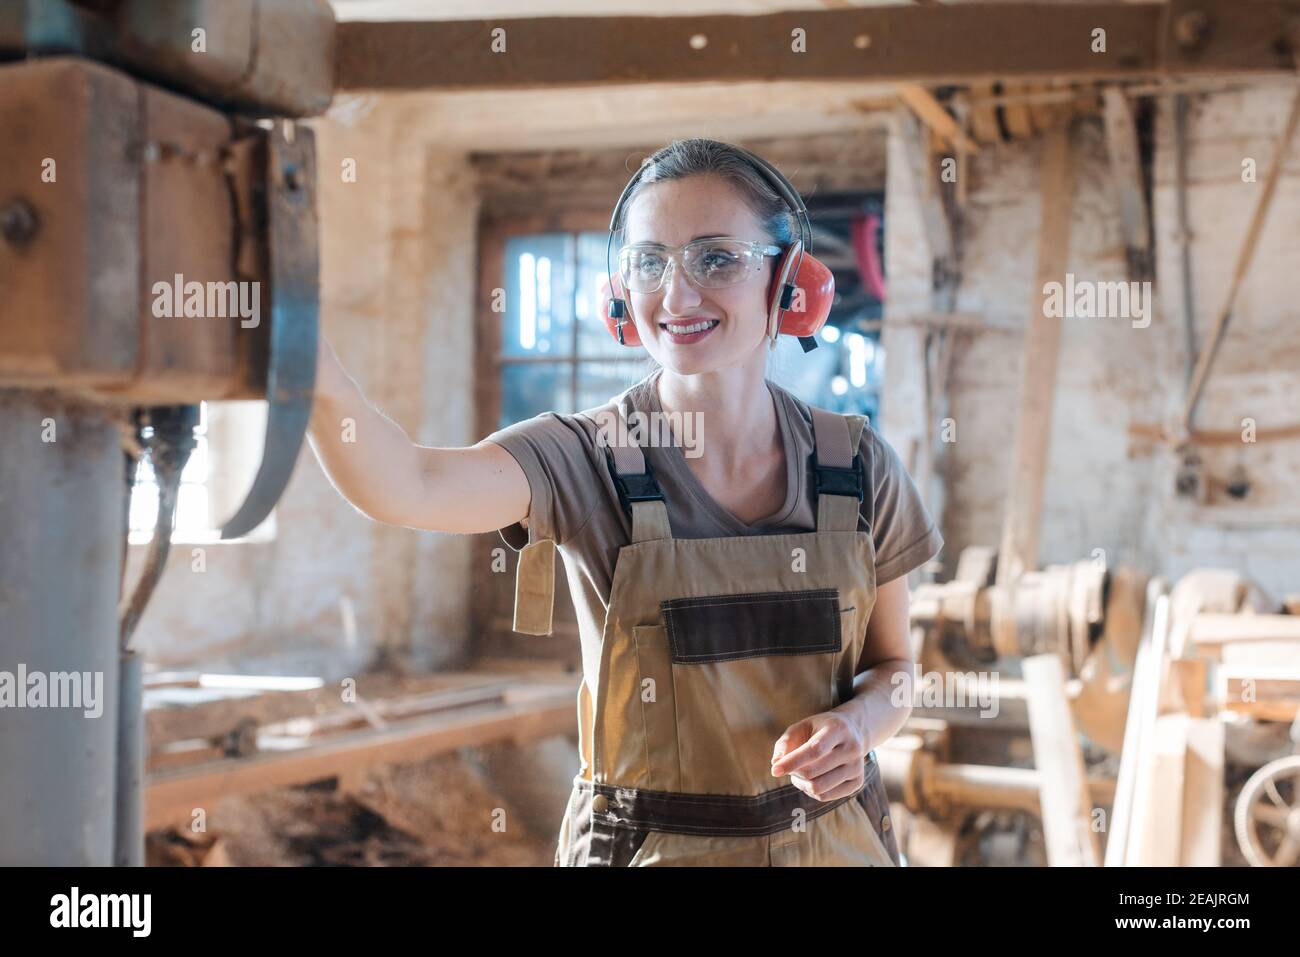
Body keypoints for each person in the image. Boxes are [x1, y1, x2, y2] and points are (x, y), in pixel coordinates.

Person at [307, 138, 943, 866]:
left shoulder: (856, 465)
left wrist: (861, 724)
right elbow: (405, 484)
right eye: (650, 262)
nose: (676, 296)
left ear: (790, 283)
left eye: (716, 258)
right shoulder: (584, 456)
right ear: (620, 295)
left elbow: (895, 670)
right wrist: (314, 373)